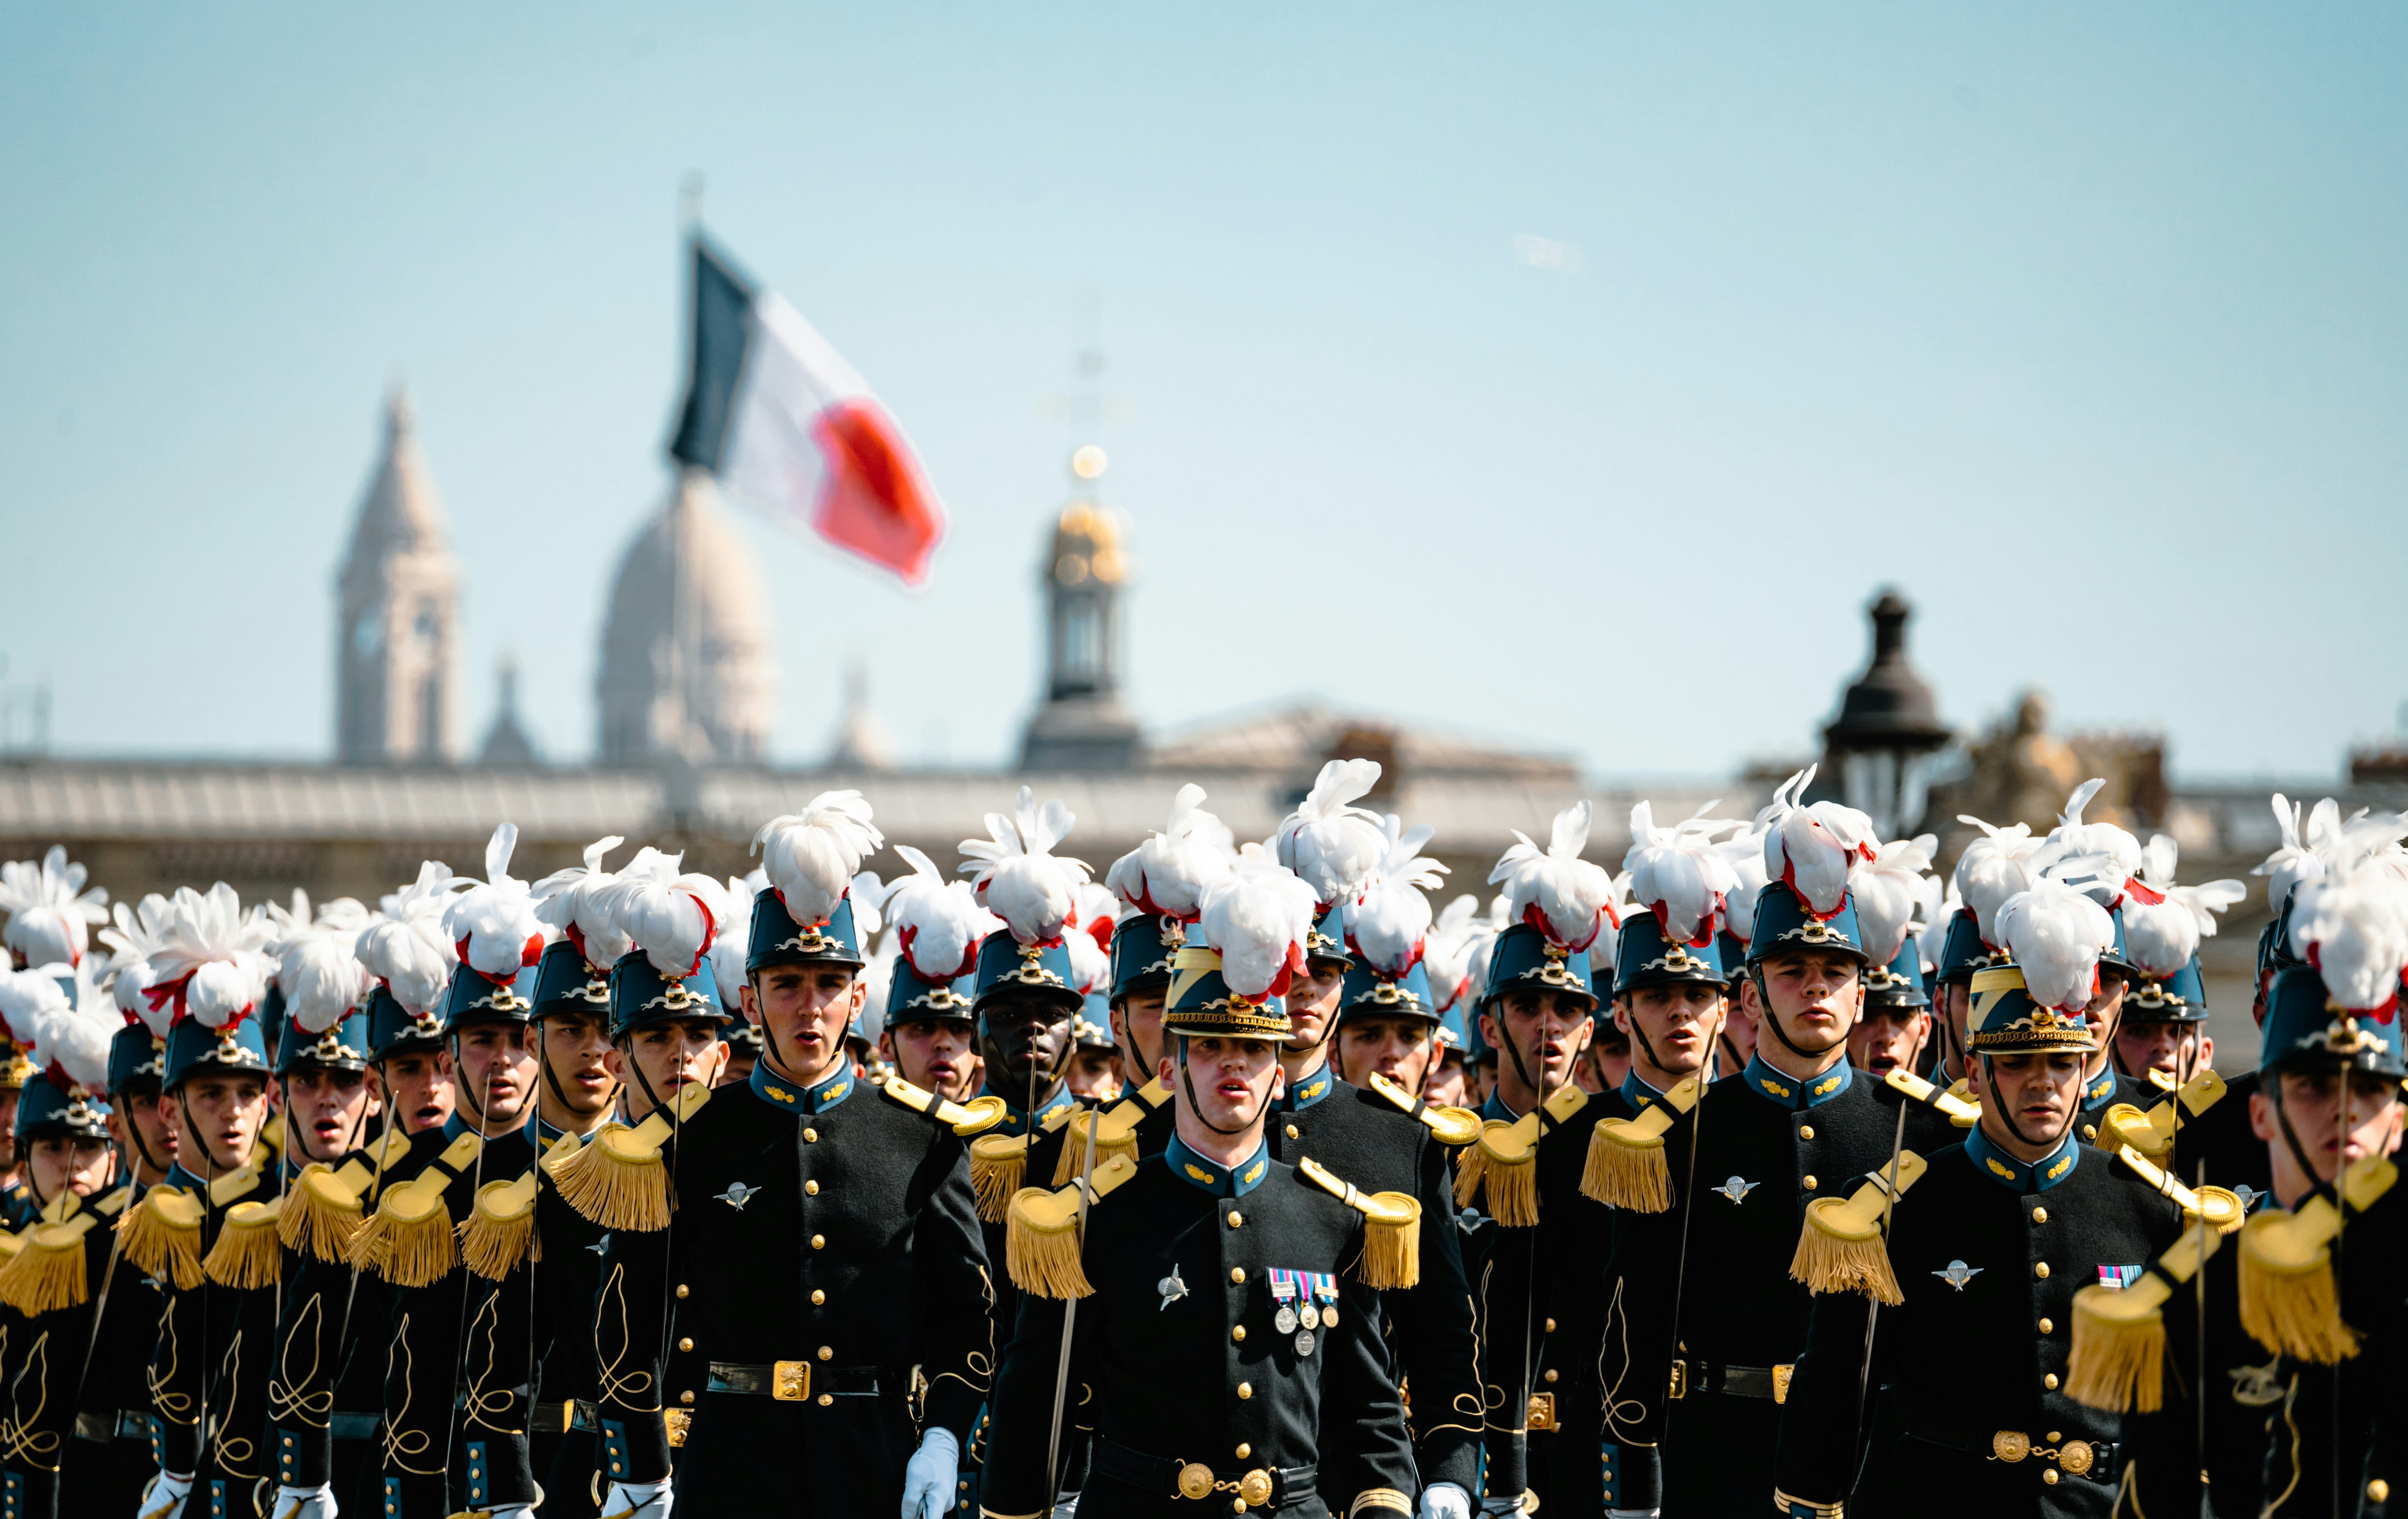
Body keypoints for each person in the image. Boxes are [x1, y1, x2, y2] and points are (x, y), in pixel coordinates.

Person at [565, 797, 992, 1517]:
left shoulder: (923, 1139)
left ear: (859, 997)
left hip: (877, 1465)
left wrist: (945, 1438)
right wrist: (640, 1470)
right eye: (787, 984)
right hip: (732, 1471)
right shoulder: (687, 1141)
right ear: (750, 999)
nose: (809, 1007)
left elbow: (968, 1319)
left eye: (829, 986)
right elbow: (629, 1324)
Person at [978, 868, 1428, 1519]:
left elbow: (1368, 1409)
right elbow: (1034, 1407)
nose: (1234, 1065)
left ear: (1280, 1077)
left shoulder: (1332, 1218)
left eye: (1252, 1048)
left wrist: (1385, 1508)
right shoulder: (1093, 1219)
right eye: (1211, 1047)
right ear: (1170, 1069)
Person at [1772, 895, 2212, 1518]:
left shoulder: (2146, 1205)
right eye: (2016, 1064)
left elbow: (2180, 1406)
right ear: (1976, 1075)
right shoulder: (1896, 1212)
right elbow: (1838, 1388)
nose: (2043, 1082)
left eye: (2063, 1063)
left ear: (2086, 1072)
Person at [1603, 857, 1904, 1516]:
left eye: (1835, 975)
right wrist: (1632, 1493)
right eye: (1792, 972)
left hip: (1874, 1465)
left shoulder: (1916, 1130)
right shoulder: (1681, 1132)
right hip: (1720, 1461)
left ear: (1861, 996)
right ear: (1749, 998)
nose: (1815, 990)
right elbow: (1637, 1323)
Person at [2224, 902, 2407, 1515]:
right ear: (2260, 1112)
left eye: (2372, 1089)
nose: (2347, 1110)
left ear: (2400, 1120)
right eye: (2314, 1086)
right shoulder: (2200, 1302)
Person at [122, 884, 285, 1519]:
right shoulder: (134, 1228)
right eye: (211, 1093)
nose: (234, 1112)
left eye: (248, 1093)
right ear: (170, 1108)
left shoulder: (287, 1214)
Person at [260, 936, 391, 1519]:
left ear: (375, 1092)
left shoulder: (410, 1209)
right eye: (308, 1081)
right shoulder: (242, 1214)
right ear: (276, 1093)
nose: (327, 1101)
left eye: (346, 1083)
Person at [0, 973, 128, 1519]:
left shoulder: (134, 1247)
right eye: (53, 1147)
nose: (73, 1163)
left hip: (103, 1484)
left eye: (89, 1147)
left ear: (115, 1158)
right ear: (23, 1162)